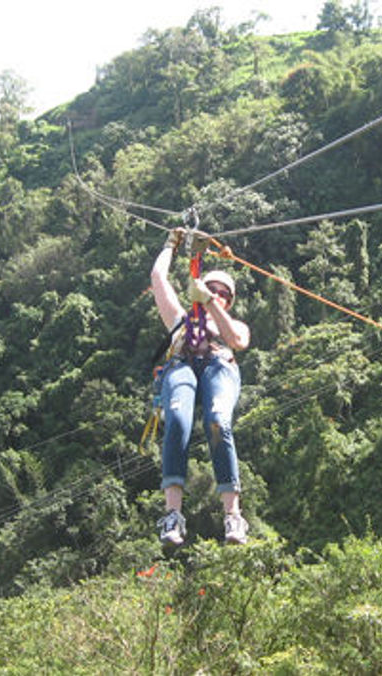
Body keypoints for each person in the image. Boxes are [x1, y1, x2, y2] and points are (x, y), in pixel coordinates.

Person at [150, 228, 251, 548]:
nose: (218, 295)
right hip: (181, 367)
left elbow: (236, 341)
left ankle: (233, 515)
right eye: (212, 290)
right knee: (178, 422)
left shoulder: (233, 326)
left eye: (224, 294)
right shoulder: (181, 322)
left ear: (229, 301)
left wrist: (209, 302)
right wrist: (172, 245)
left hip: (219, 367)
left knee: (218, 421)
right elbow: (158, 277)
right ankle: (172, 515)